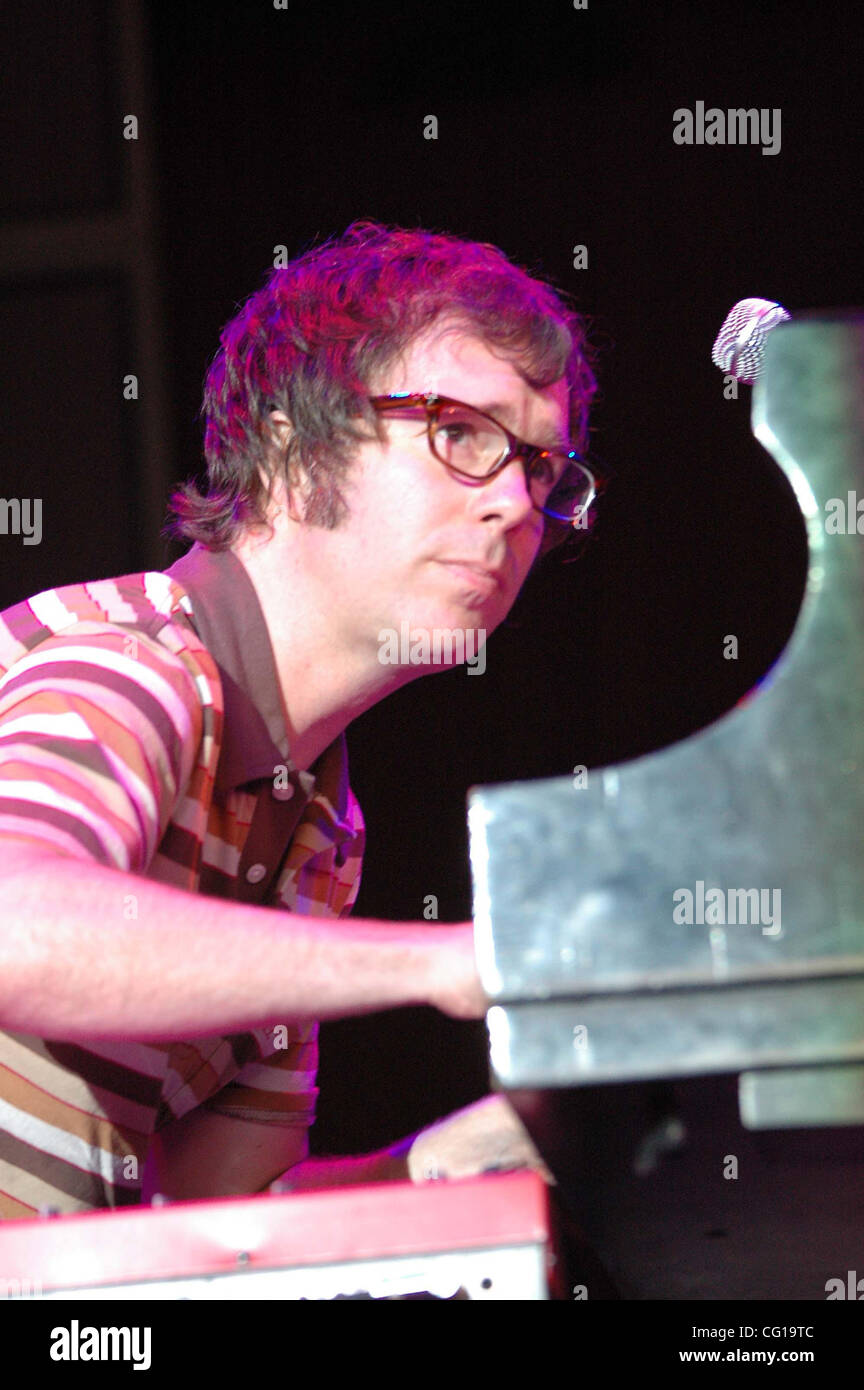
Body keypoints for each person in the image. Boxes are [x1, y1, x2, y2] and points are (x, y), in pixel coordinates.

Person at [0, 220, 597, 1219]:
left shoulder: (320, 822)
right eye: (460, 435)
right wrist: (445, 960)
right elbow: (14, 927)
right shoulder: (134, 659)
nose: (514, 504)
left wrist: (452, 1164)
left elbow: (215, 1226)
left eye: (539, 467)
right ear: (287, 443)